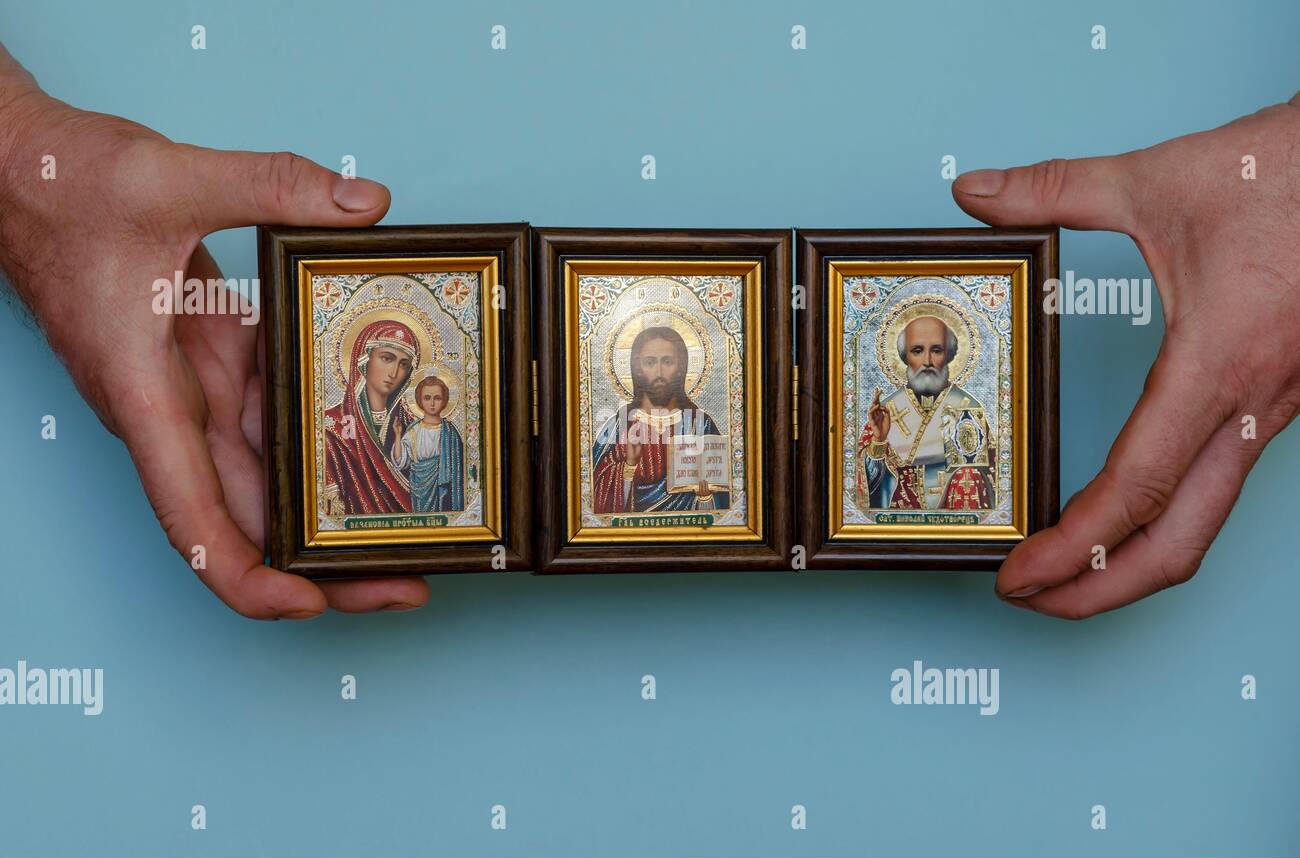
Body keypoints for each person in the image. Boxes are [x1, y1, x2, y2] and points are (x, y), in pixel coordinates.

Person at [0, 38, 1295, 619]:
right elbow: (617, 463)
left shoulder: (766, 409)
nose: (929, 360)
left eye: (934, 349)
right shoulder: (596, 413)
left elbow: (763, 452)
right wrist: (22, 164)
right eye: (386, 353)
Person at [858, 309, 995, 511]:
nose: (927, 361)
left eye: (937, 350)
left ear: (949, 355)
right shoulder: (886, 411)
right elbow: (864, 485)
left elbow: (992, 474)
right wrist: (879, 440)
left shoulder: (967, 406)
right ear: (905, 356)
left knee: (970, 476)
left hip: (955, 510)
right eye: (917, 350)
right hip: (902, 512)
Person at [591, 325, 729, 513]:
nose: (659, 373)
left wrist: (705, 497)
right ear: (637, 369)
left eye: (667, 362)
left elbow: (725, 505)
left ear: (681, 367)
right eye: (649, 362)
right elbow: (594, 499)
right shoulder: (620, 425)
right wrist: (629, 466)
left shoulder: (699, 424)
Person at [323, 319, 419, 517]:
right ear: (364, 360)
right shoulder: (331, 428)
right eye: (387, 358)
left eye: (404, 364)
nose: (394, 372)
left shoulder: (414, 427)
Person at [390, 375, 465, 513]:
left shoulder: (450, 432)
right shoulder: (414, 431)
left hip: (444, 489)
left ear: (444, 401)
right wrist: (398, 434)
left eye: (437, 398)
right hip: (419, 487)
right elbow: (400, 461)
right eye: (427, 398)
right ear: (419, 400)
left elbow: (458, 467)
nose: (432, 403)